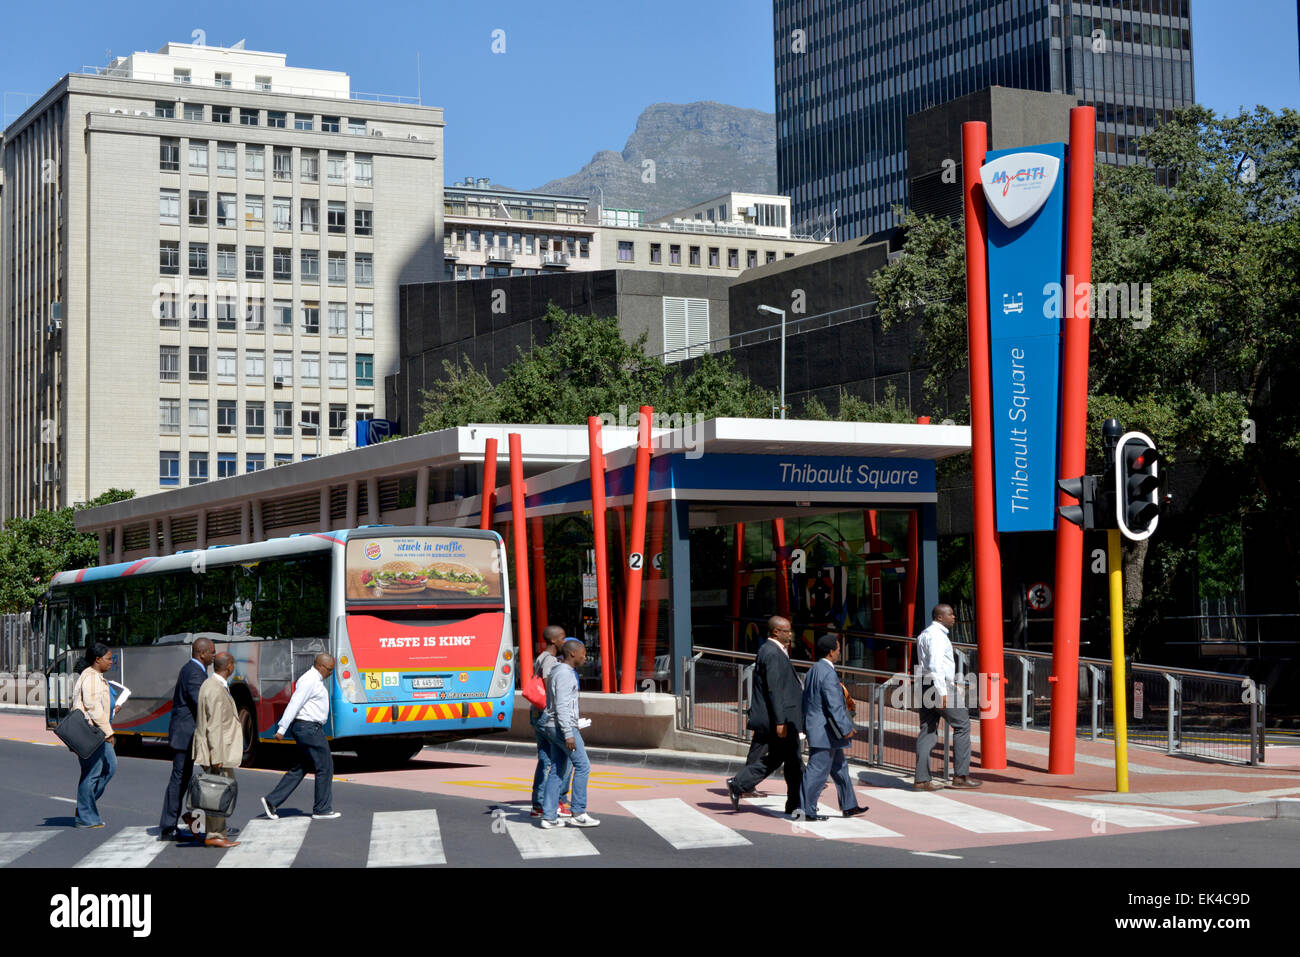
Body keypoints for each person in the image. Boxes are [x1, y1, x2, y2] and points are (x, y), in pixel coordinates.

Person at [726, 616, 804, 816]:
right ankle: (797, 804)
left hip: (783, 717)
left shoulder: (775, 651)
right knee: (793, 761)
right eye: (786, 630)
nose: (790, 633)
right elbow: (774, 689)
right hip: (781, 718)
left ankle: (738, 784)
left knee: (779, 758)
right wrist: (780, 720)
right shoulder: (771, 652)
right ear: (776, 632)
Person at [261, 654, 340, 820]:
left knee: (302, 767)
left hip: (308, 728)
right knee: (325, 766)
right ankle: (322, 809)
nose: (331, 673)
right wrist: (282, 728)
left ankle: (271, 801)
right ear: (320, 666)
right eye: (330, 669)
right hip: (308, 728)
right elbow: (295, 703)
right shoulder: (310, 680)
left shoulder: (314, 679)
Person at [799, 635, 869, 820]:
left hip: (821, 728)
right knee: (817, 770)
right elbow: (834, 704)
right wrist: (847, 727)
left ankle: (849, 805)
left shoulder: (814, 669)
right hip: (825, 731)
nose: (839, 651)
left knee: (840, 768)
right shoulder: (828, 673)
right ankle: (806, 809)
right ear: (831, 652)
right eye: (838, 648)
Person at [914, 604, 982, 791]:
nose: (954, 617)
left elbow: (924, 663)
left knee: (927, 729)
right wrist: (943, 691)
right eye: (951, 614)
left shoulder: (924, 634)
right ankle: (960, 776)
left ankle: (921, 779)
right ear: (940, 617)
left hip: (924, 682)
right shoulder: (937, 636)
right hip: (938, 684)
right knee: (962, 724)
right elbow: (936, 665)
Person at [538, 639, 599, 828]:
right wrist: (569, 733)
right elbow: (563, 706)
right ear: (572, 654)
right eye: (583, 652)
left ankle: (549, 816)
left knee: (558, 767)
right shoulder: (565, 674)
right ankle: (578, 812)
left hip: (551, 725)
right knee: (583, 766)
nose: (585, 656)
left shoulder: (557, 671)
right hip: (560, 727)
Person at [159, 637, 214, 841]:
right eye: (212, 652)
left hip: (187, 734)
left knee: (183, 779)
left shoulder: (194, 669)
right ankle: (169, 826)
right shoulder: (193, 672)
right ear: (202, 653)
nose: (214, 656)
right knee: (180, 779)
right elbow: (200, 701)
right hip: (186, 735)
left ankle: (174, 824)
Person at [192, 652, 243, 848]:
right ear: (229, 666)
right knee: (219, 792)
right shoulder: (214, 688)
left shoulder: (214, 684)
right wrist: (217, 755)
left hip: (218, 749)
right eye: (233, 664)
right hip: (218, 751)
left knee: (215, 791)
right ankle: (215, 834)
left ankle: (205, 825)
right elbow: (214, 724)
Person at [71, 643, 116, 829]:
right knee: (93, 772)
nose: (111, 662)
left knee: (109, 767)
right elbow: (92, 707)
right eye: (109, 659)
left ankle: (84, 807)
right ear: (97, 660)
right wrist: (108, 732)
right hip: (93, 732)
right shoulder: (91, 677)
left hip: (97, 731)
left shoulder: (97, 676)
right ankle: (84, 815)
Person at [530, 625, 570, 818]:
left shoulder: (540, 657)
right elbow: (550, 688)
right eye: (562, 637)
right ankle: (558, 800)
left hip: (537, 713)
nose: (565, 641)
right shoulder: (550, 660)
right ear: (554, 640)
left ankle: (538, 804)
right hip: (546, 714)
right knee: (567, 756)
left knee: (545, 758)